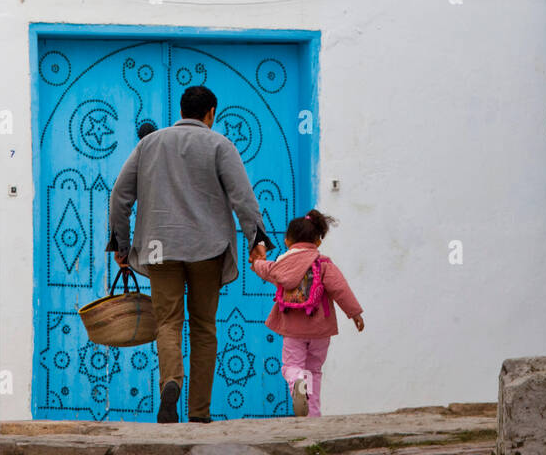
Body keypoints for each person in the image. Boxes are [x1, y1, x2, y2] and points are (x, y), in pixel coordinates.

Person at [106, 85, 271, 424]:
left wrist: (121, 245)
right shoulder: (219, 145)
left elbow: (119, 196)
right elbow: (243, 196)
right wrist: (256, 238)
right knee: (203, 326)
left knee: (167, 322)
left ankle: (170, 384)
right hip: (207, 248)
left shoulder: (148, 145)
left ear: (182, 110)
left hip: (158, 246)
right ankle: (199, 412)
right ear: (211, 112)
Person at [250, 209, 364, 417]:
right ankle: (313, 413)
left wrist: (256, 263)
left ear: (287, 241)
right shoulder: (324, 264)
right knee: (314, 371)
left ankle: (296, 382)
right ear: (317, 242)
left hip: (293, 328)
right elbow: (341, 289)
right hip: (321, 329)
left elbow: (267, 269)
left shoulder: (282, 264)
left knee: (292, 366)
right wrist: (354, 313)